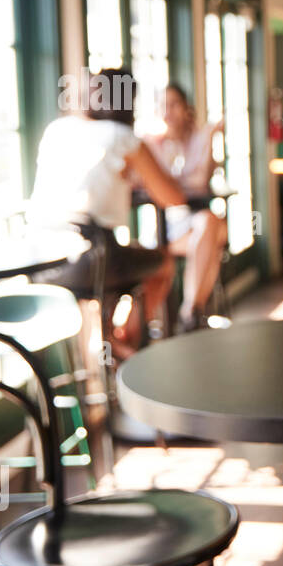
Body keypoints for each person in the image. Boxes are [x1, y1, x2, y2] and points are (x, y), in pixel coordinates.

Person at [29, 67, 185, 359]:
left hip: (41, 262)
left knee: (114, 269)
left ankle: (107, 350)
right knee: (162, 264)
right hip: (92, 262)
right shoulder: (123, 137)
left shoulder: (58, 129)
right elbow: (173, 197)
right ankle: (122, 344)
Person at [145, 84, 228, 331]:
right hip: (164, 228)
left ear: (185, 108)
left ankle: (190, 310)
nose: (168, 111)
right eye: (163, 105)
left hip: (195, 224)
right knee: (213, 232)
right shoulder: (150, 144)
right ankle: (193, 314)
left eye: (174, 104)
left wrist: (210, 136)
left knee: (210, 226)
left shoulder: (196, 138)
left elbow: (201, 180)